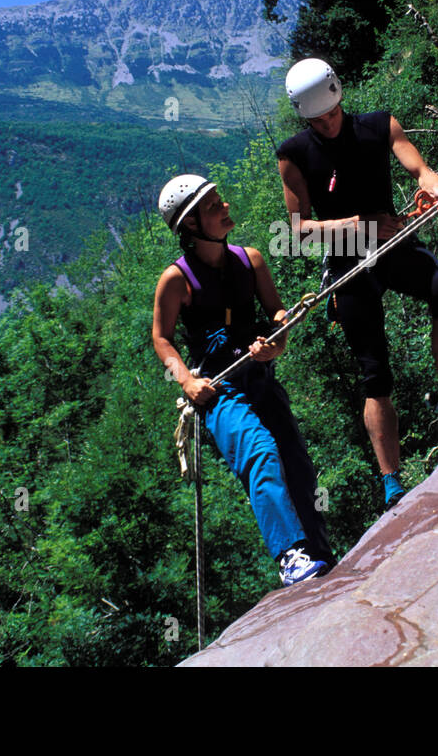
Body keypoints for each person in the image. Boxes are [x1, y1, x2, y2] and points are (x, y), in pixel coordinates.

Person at [276, 58, 438, 511]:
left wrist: (437, 188)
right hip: (348, 260)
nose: (326, 123)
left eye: (332, 114)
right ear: (303, 116)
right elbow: (299, 230)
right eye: (316, 120)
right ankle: (391, 481)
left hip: (393, 242)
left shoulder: (380, 126)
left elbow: (419, 171)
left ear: (340, 96)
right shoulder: (294, 153)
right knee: (374, 372)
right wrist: (362, 226)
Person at [151, 173, 333, 585]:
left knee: (297, 463)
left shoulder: (249, 259)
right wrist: (185, 381)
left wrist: (276, 342)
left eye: (220, 200)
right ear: (192, 225)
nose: (226, 206)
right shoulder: (177, 280)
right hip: (219, 391)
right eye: (214, 205)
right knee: (261, 453)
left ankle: (318, 552)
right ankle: (290, 555)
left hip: (261, 378)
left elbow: (277, 313)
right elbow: (161, 338)